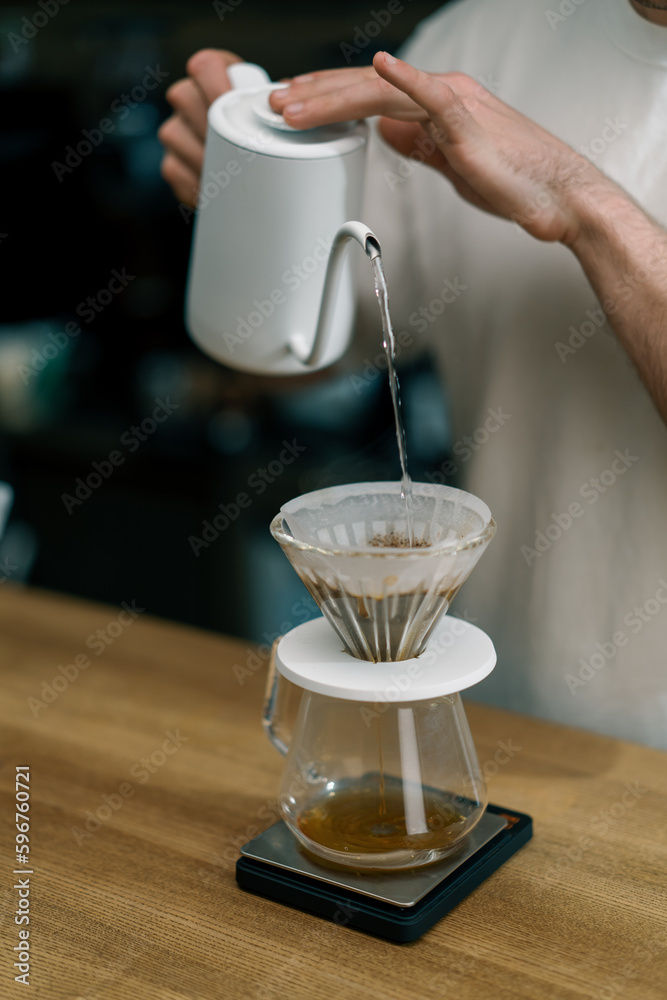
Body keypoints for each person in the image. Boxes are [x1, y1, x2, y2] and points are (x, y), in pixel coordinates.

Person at [159, 0, 667, 749]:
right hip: (494, 716)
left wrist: (579, 201)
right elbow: (300, 353)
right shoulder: (480, 35)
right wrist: (257, 213)